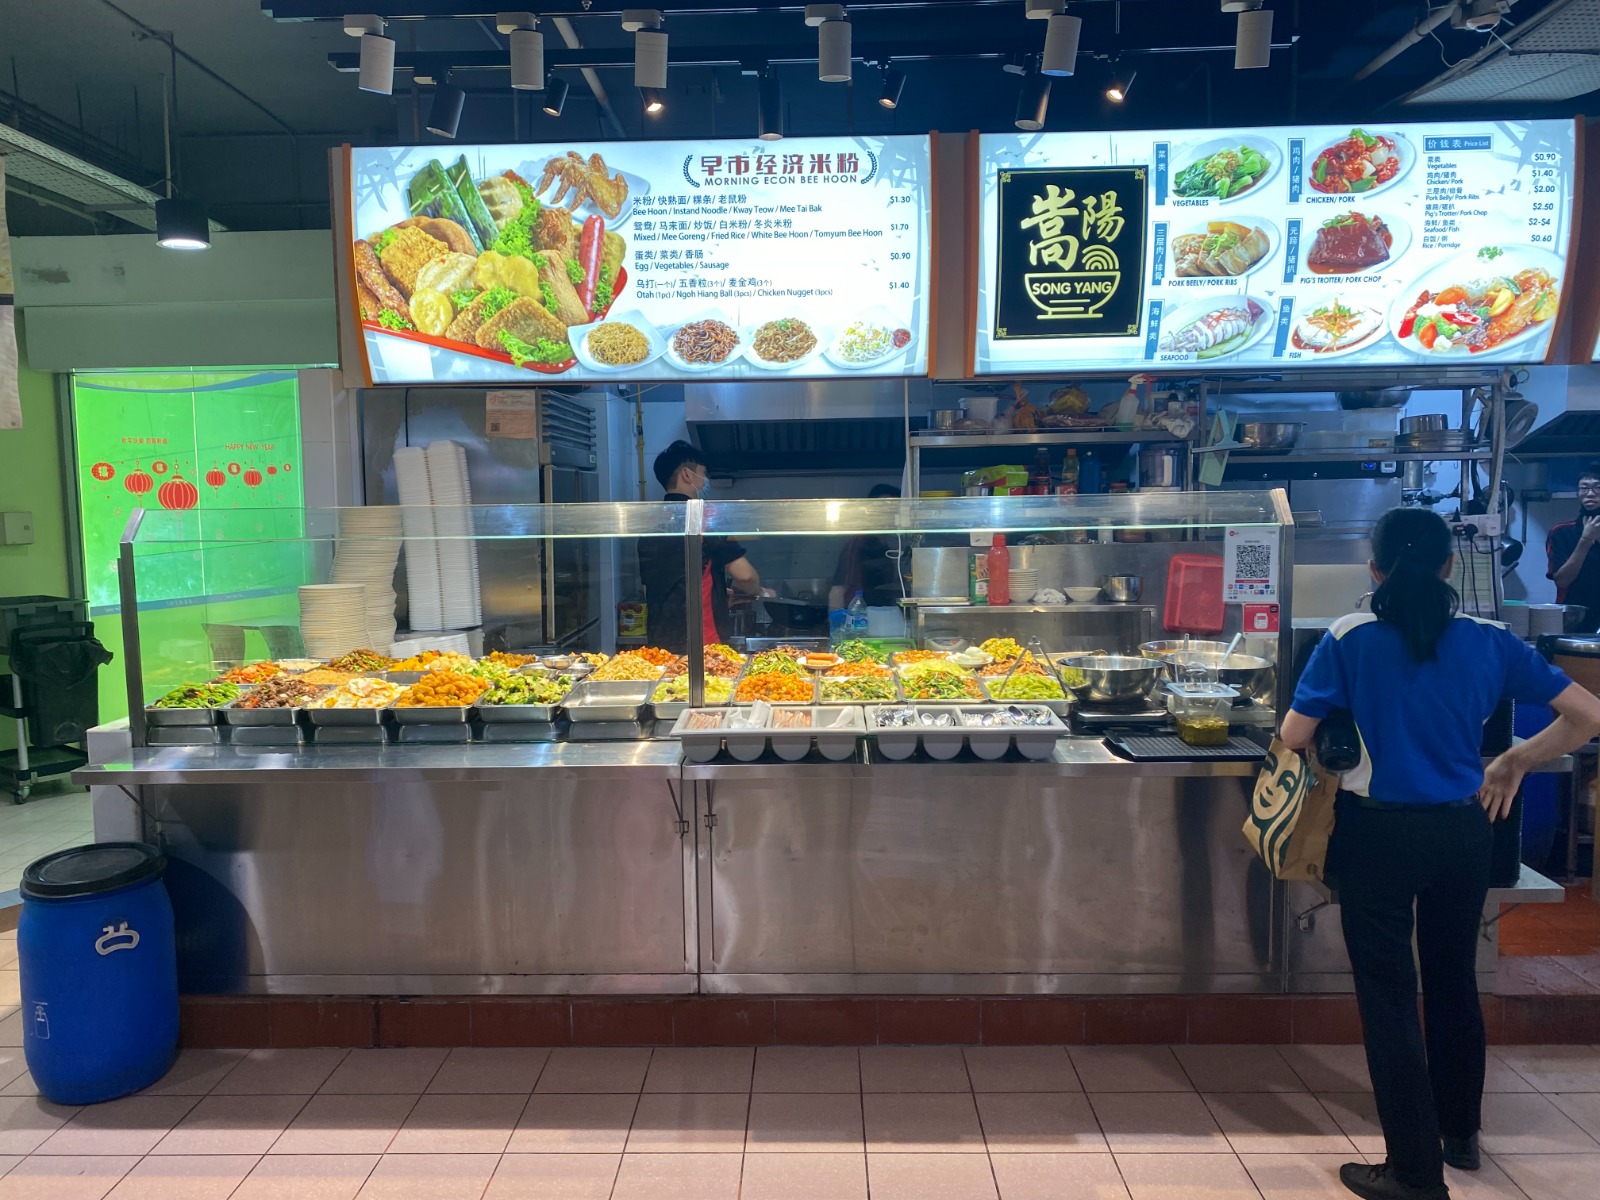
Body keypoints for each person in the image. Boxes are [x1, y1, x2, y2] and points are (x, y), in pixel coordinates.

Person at [1281, 507, 1600, 1200]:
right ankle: (1460, 1135)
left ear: (1374, 569)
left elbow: (1294, 732)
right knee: (1455, 983)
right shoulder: (1491, 640)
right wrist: (1516, 759)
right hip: (1463, 833)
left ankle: (1414, 1172)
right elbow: (1588, 715)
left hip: (1379, 835)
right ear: (1452, 568)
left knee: (1390, 999)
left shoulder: (1350, 636)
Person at [636, 441, 764, 653]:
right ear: (687, 475)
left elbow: (652, 587)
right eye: (703, 474)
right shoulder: (704, 519)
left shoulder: (652, 523)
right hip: (703, 641)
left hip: (661, 643)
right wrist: (759, 591)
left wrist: (719, 593)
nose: (705, 480)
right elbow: (745, 576)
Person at [828, 484, 905, 611]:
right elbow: (838, 589)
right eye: (884, 510)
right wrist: (836, 626)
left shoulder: (884, 544)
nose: (891, 516)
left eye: (894, 511)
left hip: (877, 616)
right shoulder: (860, 543)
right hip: (859, 619)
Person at [1545, 462, 1600, 633]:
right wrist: (1585, 539)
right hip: (1575, 620)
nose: (1590, 493)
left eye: (1597, 487)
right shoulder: (1561, 533)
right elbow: (1562, 581)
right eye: (1584, 488)